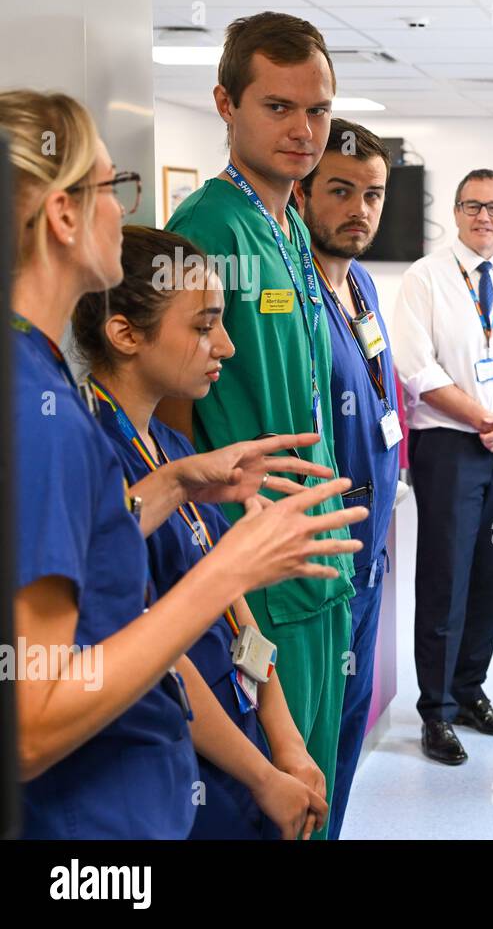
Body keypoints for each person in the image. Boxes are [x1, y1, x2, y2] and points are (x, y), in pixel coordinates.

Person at [3, 88, 363, 839]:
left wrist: (171, 483)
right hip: (94, 824)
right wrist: (228, 571)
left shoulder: (45, 385)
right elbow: (32, 724)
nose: (122, 210)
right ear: (63, 216)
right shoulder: (45, 417)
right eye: (111, 188)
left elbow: (85, 559)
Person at [164, 12, 357, 838]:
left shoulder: (286, 226)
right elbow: (169, 411)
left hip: (315, 557)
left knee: (314, 791)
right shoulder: (209, 228)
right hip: (254, 568)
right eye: (278, 107)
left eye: (315, 110)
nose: (302, 131)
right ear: (224, 104)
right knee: (268, 801)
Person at [72, 226, 331, 839]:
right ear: (126, 333)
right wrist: (264, 778)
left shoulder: (173, 448)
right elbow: (154, 655)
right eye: (203, 325)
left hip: (240, 740)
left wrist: (285, 739)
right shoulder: (94, 459)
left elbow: (234, 607)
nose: (228, 346)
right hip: (189, 757)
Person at [391, 169, 493, 765]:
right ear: (455, 213)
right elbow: (417, 369)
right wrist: (486, 418)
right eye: (472, 206)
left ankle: (468, 690)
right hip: (451, 448)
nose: (484, 216)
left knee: (492, 573)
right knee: (445, 576)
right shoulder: (425, 278)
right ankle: (434, 711)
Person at [293, 118, 400, 837]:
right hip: (320, 561)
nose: (359, 209)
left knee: (348, 731)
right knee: (308, 744)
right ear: (301, 194)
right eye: (340, 190)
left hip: (371, 554)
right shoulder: (293, 293)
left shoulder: (360, 282)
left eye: (373, 194)